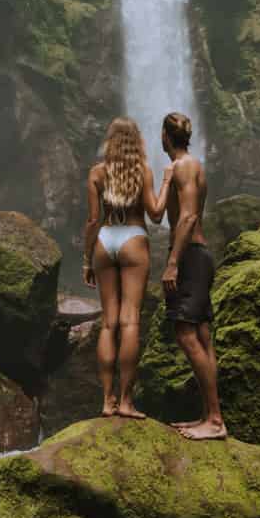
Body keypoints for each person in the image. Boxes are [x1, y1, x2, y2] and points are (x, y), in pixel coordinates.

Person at [83, 116, 168, 419]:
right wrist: (168, 181)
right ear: (137, 143)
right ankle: (126, 401)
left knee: (109, 323)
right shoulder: (142, 171)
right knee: (130, 322)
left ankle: (106, 402)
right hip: (133, 237)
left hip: (105, 240)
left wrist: (86, 259)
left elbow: (93, 220)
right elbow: (157, 215)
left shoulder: (96, 173)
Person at [160, 110, 227, 440]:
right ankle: (209, 416)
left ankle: (215, 420)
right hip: (198, 256)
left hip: (190, 257)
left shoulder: (184, 166)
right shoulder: (190, 167)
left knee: (186, 333)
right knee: (201, 336)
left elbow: (186, 218)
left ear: (165, 136)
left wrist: (173, 261)